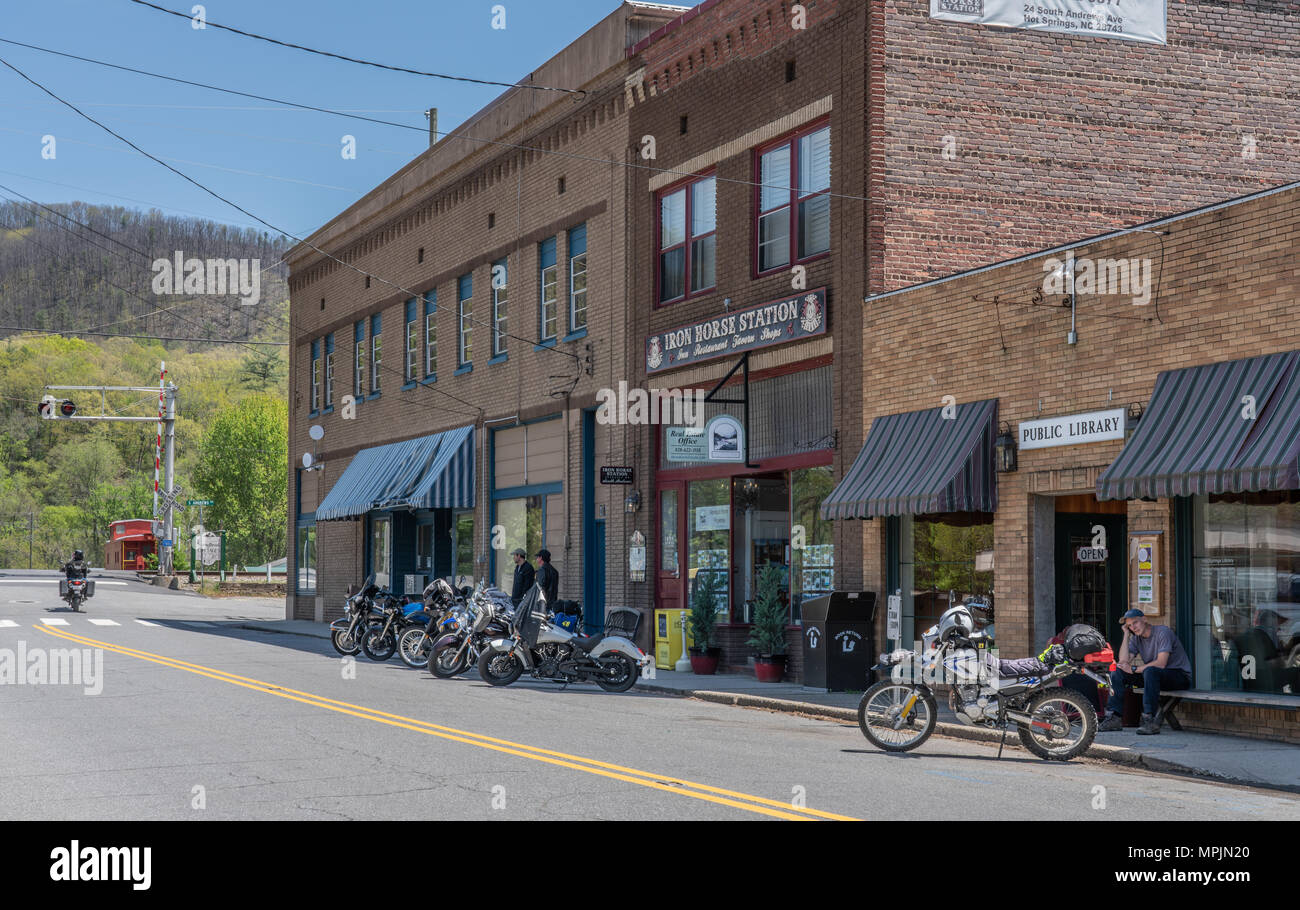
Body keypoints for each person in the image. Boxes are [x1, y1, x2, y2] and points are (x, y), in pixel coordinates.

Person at [1098, 609, 1192, 735]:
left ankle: (1149, 720)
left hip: (1179, 676)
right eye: (1129, 625)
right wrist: (1126, 635)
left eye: (1135, 623)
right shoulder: (1136, 639)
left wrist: (1134, 669)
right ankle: (1114, 718)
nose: (1133, 627)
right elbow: (1123, 661)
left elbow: (1161, 663)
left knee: (1150, 671)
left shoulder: (1162, 632)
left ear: (1144, 620)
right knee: (1117, 671)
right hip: (1153, 676)